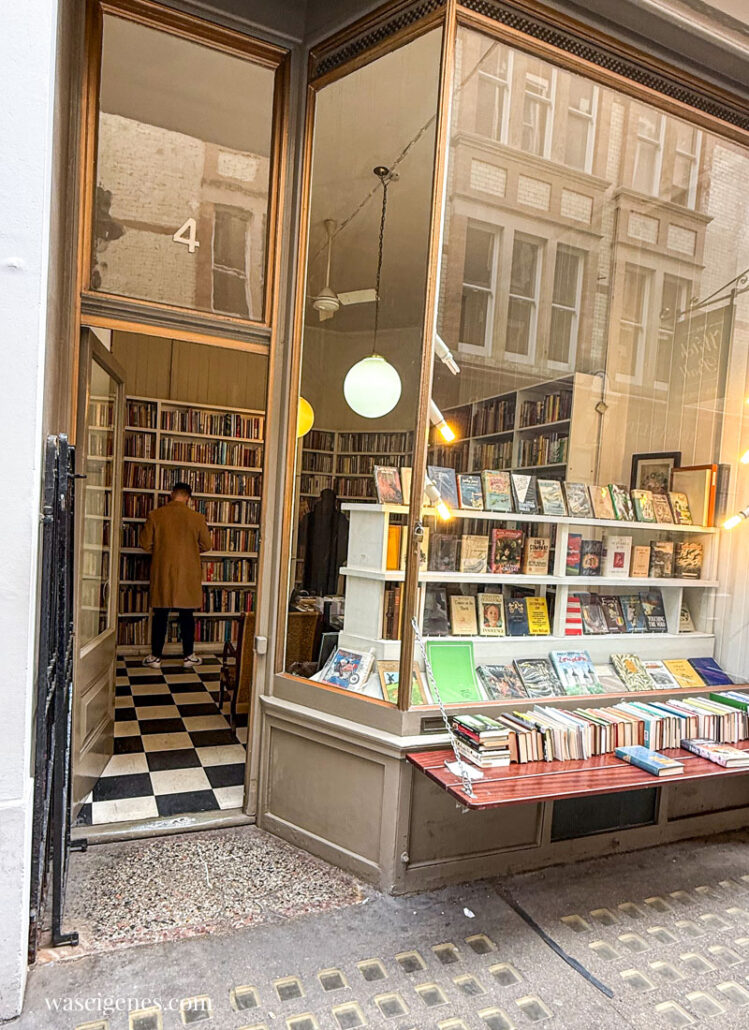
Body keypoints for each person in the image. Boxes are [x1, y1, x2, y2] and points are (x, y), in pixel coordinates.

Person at [139, 482, 212, 668]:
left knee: (160, 615)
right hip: (188, 572)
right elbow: (207, 545)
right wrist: (189, 551)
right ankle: (189, 656)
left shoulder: (155, 515)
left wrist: (162, 550)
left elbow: (145, 544)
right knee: (187, 615)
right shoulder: (197, 518)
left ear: (172, 494)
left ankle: (156, 657)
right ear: (188, 497)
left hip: (163, 571)